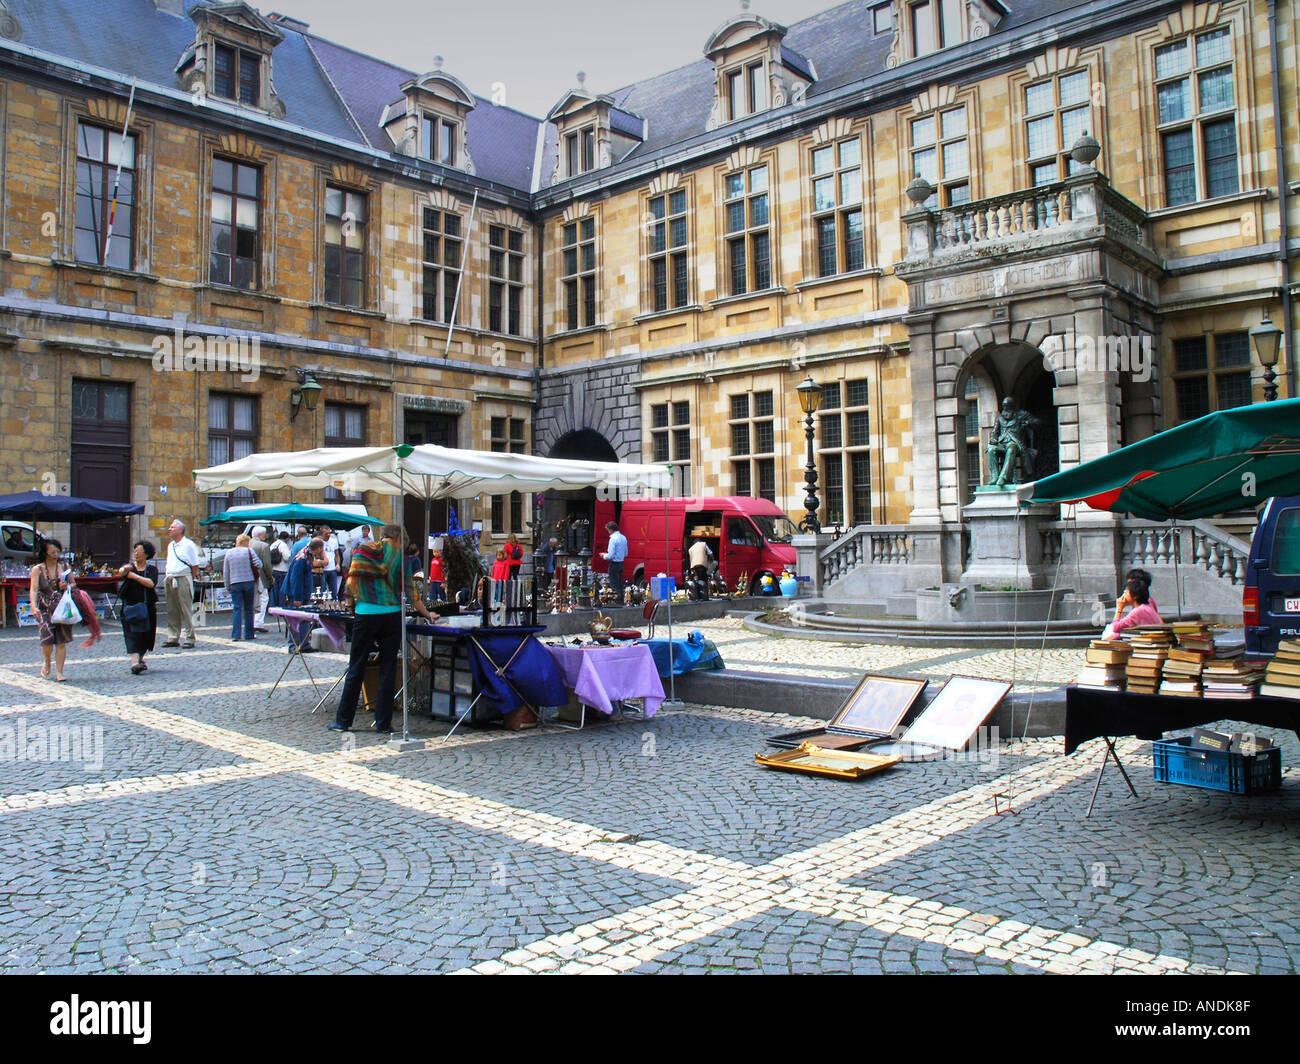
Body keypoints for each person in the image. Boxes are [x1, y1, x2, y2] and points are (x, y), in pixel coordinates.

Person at [330, 524, 434, 734]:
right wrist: (428, 614)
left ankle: (343, 721)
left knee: (356, 666)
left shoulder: (363, 552)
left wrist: (351, 604)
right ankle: (383, 722)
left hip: (366, 614)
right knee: (388, 669)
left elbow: (351, 583)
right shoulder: (402, 560)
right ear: (397, 539)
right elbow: (412, 593)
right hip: (391, 615)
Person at [31, 537, 75, 681]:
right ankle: (47, 660)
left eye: (57, 551)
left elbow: (74, 584)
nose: (56, 554)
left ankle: (60, 672)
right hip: (45, 608)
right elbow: (33, 589)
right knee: (47, 640)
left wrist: (67, 586)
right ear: (45, 553)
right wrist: (33, 605)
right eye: (53, 551)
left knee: (61, 641)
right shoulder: (37, 569)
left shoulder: (65, 567)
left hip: (62, 607)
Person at [117, 540, 158, 675]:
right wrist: (125, 570)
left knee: (147, 635)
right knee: (131, 634)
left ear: (146, 554)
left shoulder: (152, 569)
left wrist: (134, 576)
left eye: (138, 552)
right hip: (130, 607)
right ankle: (135, 663)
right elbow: (121, 571)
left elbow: (151, 583)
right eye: (134, 551)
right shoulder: (130, 567)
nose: (136, 554)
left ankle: (140, 658)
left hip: (147, 607)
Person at [162, 519, 201, 648]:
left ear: (180, 530)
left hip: (183, 578)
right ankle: (173, 637)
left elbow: (195, 564)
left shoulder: (188, 544)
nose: (169, 529)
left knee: (186, 608)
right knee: (172, 609)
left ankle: (190, 637)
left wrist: (191, 578)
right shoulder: (170, 545)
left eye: (172, 527)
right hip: (170, 578)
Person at [283, 538, 324, 652]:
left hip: (303, 593)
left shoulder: (307, 554)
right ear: (319, 548)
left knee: (305, 619)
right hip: (297, 594)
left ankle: (304, 644)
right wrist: (297, 597)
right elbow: (296, 579)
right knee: (295, 620)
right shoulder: (302, 558)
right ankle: (293, 645)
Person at [223, 532, 262, 642]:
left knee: (237, 608)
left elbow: (226, 571)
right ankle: (249, 634)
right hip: (249, 581)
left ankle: (236, 634)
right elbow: (259, 564)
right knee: (249, 609)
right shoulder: (249, 551)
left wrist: (227, 586)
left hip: (235, 582)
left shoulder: (229, 553)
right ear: (245, 542)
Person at [1103, 572, 1163, 639]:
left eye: (1126, 592)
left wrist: (1119, 609)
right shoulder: (1145, 607)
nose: (1124, 595)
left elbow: (1116, 627)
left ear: (1135, 596)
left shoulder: (1139, 610)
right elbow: (1130, 628)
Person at [249, 525, 275, 632]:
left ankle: (251, 622)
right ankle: (258, 622)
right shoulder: (264, 546)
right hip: (260, 575)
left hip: (248, 575)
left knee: (251, 599)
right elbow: (267, 564)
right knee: (263, 598)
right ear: (261, 535)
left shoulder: (247, 543)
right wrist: (270, 577)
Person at [602, 520, 628, 602]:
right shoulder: (623, 538)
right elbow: (626, 553)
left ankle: (616, 601)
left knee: (614, 584)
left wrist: (603, 555)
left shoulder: (613, 539)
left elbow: (610, 555)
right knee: (620, 583)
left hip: (614, 564)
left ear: (611, 530)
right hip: (621, 563)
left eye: (608, 530)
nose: (608, 532)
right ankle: (621, 601)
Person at [269, 531, 293, 608]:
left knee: (274, 590)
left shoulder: (273, 544)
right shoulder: (283, 545)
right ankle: (280, 606)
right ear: (287, 538)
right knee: (282, 590)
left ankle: (272, 606)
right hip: (282, 570)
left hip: (273, 569)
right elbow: (287, 557)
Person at [320, 525, 342, 596]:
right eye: (326, 534)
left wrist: (338, 564)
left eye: (329, 533)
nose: (328, 535)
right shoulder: (319, 542)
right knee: (322, 590)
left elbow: (337, 554)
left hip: (332, 568)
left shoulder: (334, 541)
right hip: (322, 569)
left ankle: (333, 603)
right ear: (322, 534)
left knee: (333, 591)